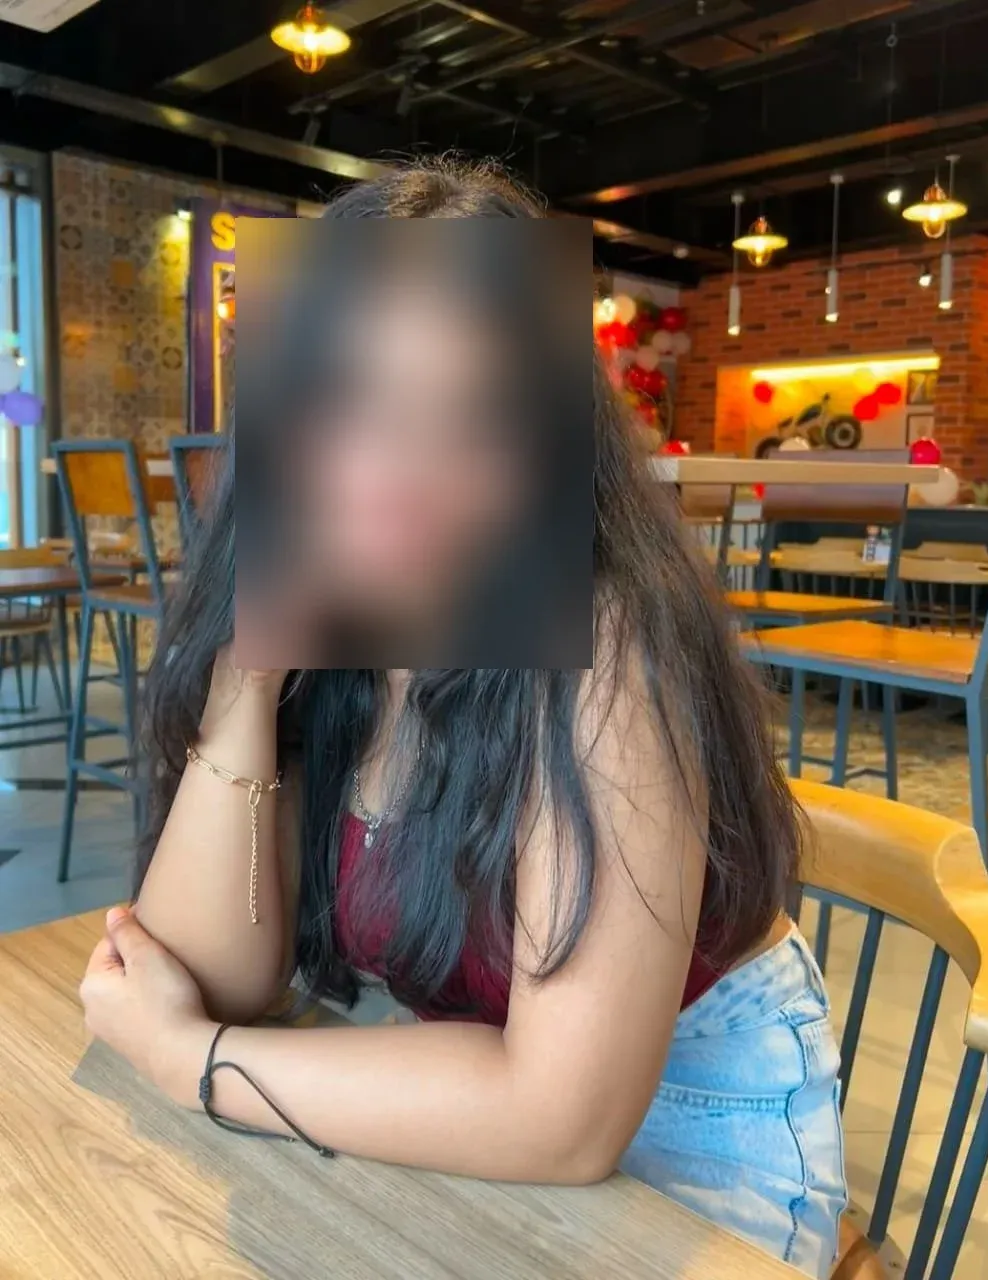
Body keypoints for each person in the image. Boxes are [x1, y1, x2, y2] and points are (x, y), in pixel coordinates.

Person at [79, 159, 847, 1279]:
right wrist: (250, 683)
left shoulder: (603, 643)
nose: (403, 474)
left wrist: (190, 1059)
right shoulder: (340, 623)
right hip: (466, 1077)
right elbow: (205, 971)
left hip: (689, 1112)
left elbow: (561, 1119)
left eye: (474, 417)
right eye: (354, 403)